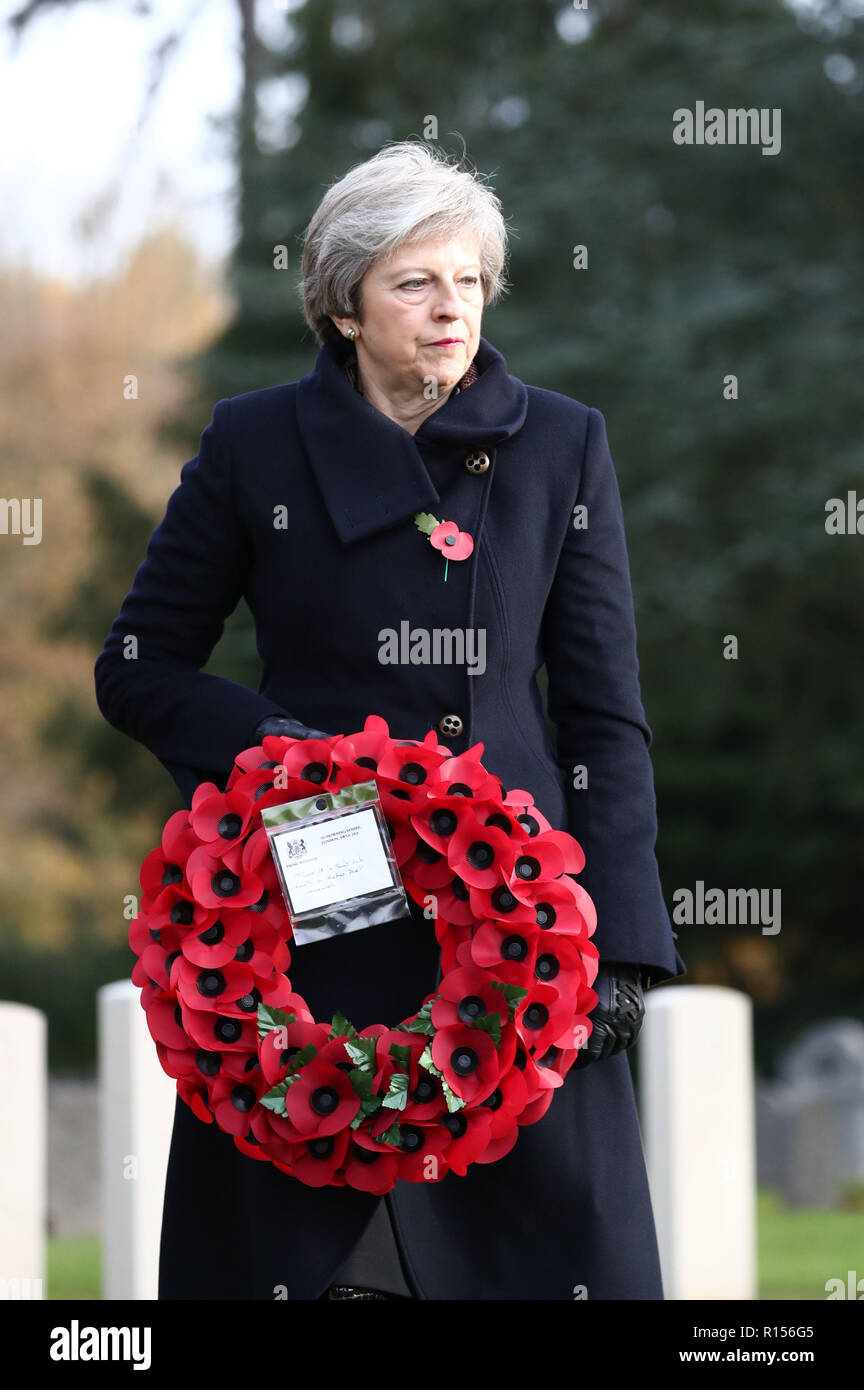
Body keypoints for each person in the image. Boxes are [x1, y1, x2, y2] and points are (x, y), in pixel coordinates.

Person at [94, 139, 685, 1301]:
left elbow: (606, 715)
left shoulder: (564, 442)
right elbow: (139, 665)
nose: (449, 306)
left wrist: (620, 939)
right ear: (344, 305)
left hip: (523, 933)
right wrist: (288, 763)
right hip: (313, 911)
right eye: (414, 282)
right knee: (313, 1261)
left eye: (467, 279)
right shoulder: (255, 443)